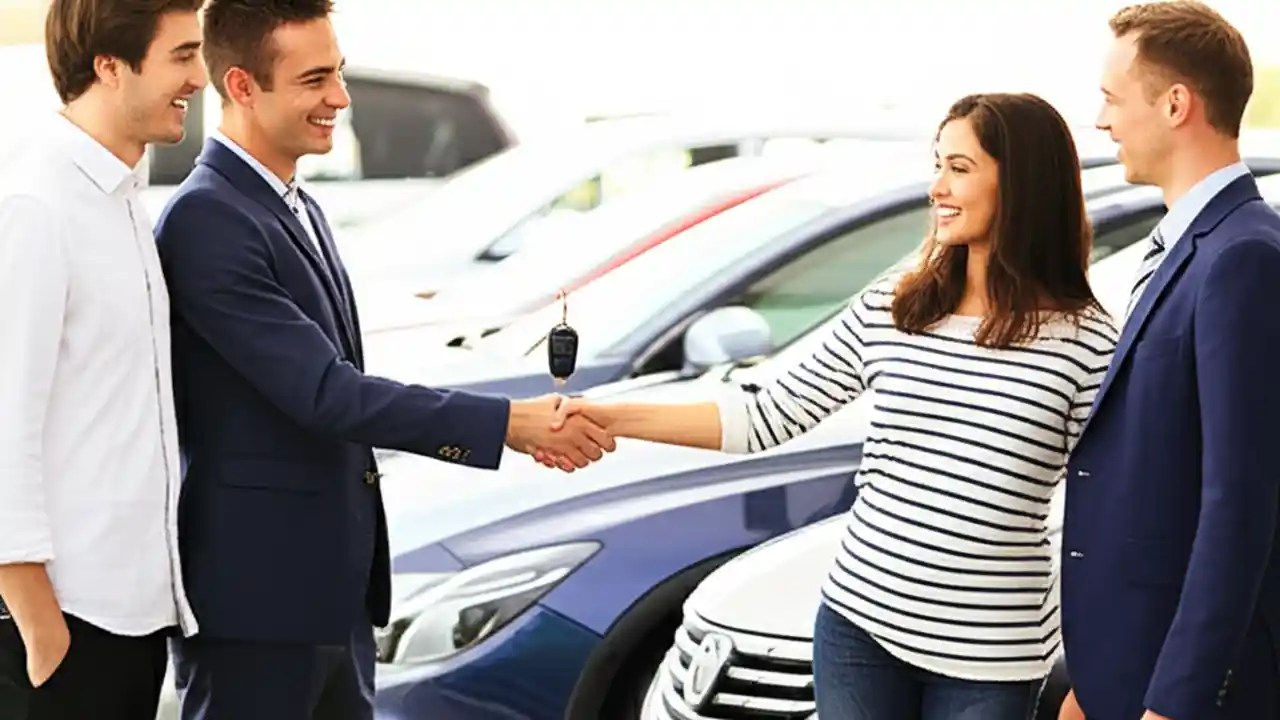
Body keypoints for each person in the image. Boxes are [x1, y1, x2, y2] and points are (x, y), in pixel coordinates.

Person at [542, 92, 1118, 720]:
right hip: (859, 631)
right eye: (937, 165)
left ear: (1024, 181)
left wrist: (1095, 676)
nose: (937, 188)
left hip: (991, 658)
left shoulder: (1088, 343)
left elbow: (1113, 518)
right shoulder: (895, 310)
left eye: (959, 167)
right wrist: (609, 417)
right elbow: (762, 415)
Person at [152, 1, 612, 717]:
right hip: (260, 606)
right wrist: (508, 424)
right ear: (241, 87)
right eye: (314, 80)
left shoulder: (294, 202)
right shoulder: (208, 218)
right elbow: (327, 393)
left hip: (330, 594)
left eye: (338, 72)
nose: (340, 98)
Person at [1056, 3, 1280, 719]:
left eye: (1112, 99)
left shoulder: (1242, 256)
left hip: (1184, 694)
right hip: (1123, 672)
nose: (1100, 120)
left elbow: (1239, 508)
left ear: (1176, 103)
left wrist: (1175, 701)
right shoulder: (1193, 246)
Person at [0, 1, 207, 717]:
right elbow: (4, 423)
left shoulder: (120, 196)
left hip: (131, 621)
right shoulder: (37, 204)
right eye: (182, 55)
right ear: (110, 67)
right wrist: (39, 627)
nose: (202, 76)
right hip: (65, 632)